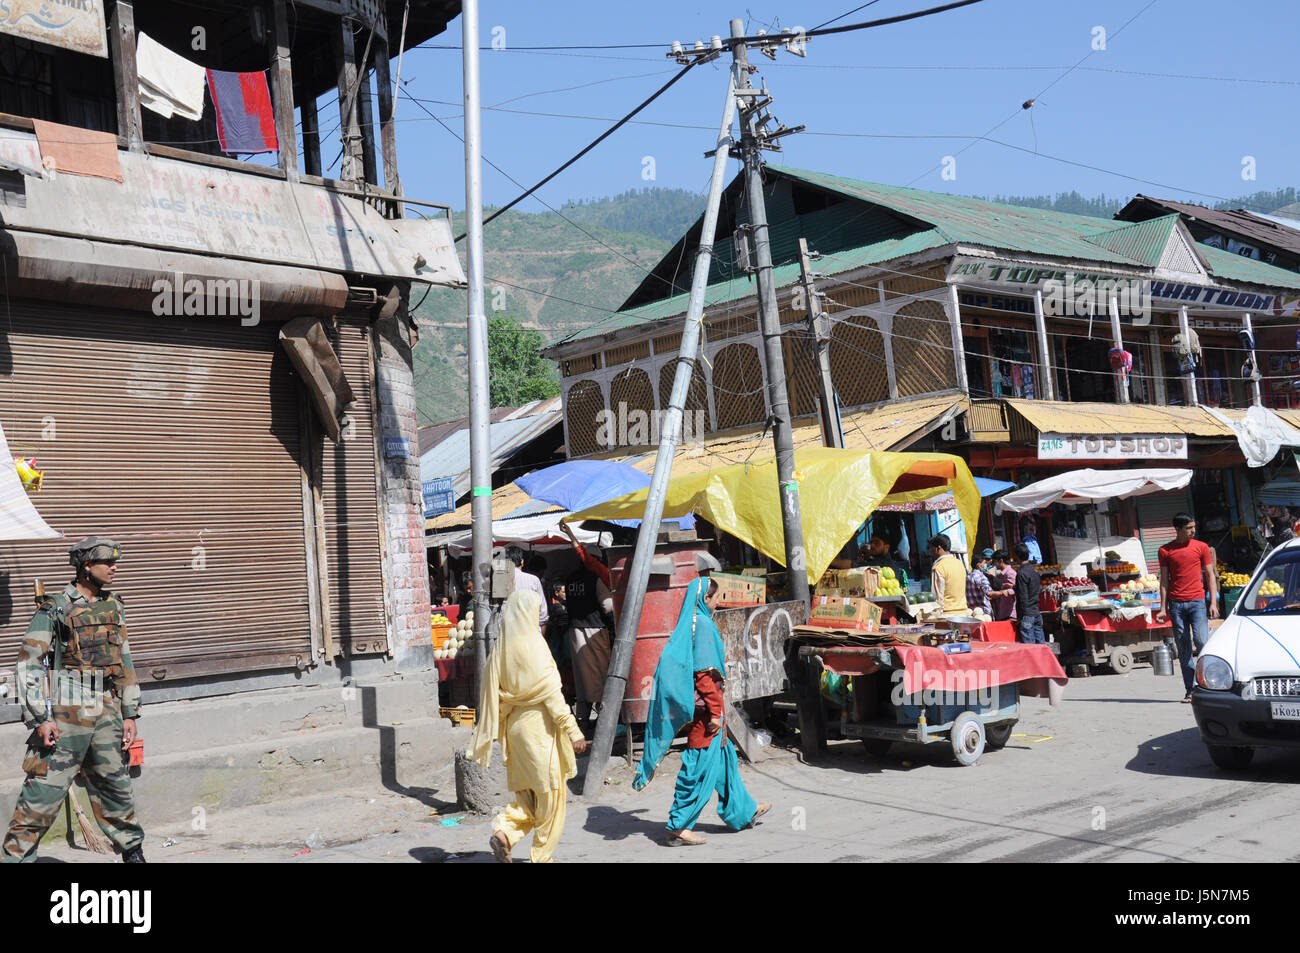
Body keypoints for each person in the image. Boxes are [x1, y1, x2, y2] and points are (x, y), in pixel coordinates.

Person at [3, 537, 146, 863]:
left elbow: (124, 660)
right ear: (86, 567)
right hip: (67, 708)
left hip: (106, 708)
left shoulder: (114, 606)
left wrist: (129, 712)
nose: (114, 567)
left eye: (115, 561)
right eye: (107, 562)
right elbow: (28, 662)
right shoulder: (54, 608)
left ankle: (133, 854)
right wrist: (41, 718)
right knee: (41, 796)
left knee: (116, 789)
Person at [633, 576, 770, 845]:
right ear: (705, 599)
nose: (718, 603)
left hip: (708, 709)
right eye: (715, 598)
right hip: (707, 713)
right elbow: (705, 676)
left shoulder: (690, 623)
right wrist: (717, 713)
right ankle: (679, 824)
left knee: (725, 761)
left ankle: (743, 811)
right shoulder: (703, 625)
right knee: (698, 766)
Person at [471, 589, 587, 864]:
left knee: (527, 796)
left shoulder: (501, 648)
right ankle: (542, 858)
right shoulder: (536, 647)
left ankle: (505, 832)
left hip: (515, 731)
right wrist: (574, 732)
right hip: (539, 732)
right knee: (551, 797)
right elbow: (553, 697)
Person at [1154, 513, 1218, 702]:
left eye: (1194, 527)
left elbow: (1210, 575)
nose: (1193, 531)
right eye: (1189, 528)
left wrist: (1213, 603)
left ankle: (1208, 684)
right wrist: (1163, 608)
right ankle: (1190, 690)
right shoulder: (1165, 551)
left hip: (1198, 602)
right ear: (1178, 529)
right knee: (1183, 649)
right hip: (1176, 605)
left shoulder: (1202, 547)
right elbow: (1164, 581)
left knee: (1201, 641)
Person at [560, 523, 614, 733]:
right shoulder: (596, 578)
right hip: (595, 630)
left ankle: (582, 717)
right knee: (599, 673)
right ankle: (604, 718)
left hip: (575, 630)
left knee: (581, 675)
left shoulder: (570, 579)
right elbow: (607, 606)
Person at [505, 546, 548, 631]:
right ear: (522, 562)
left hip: (507, 631)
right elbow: (543, 613)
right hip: (531, 630)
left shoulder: (498, 581)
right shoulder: (534, 580)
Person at [928, 534, 969, 616]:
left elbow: (937, 597)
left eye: (931, 548)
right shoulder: (959, 564)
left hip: (947, 615)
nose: (930, 551)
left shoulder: (938, 567)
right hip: (963, 613)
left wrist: (934, 616)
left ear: (938, 548)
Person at [1012, 542, 1044, 644]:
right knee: (1041, 646)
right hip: (1036, 612)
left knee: (1030, 647)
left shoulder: (1021, 573)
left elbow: (1023, 596)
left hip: (1027, 615)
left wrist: (1021, 616)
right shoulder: (1034, 571)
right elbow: (1032, 589)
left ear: (1016, 556)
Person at [989, 550, 1018, 622]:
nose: (994, 564)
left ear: (1001, 561)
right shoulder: (1004, 574)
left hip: (1010, 614)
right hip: (1005, 613)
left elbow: (1016, 590)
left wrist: (1000, 593)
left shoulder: (1010, 573)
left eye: (995, 562)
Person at [966, 551, 994, 617]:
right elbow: (989, 592)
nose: (985, 565)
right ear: (979, 565)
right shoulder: (981, 576)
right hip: (984, 613)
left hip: (972, 613)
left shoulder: (968, 576)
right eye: (984, 563)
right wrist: (1003, 592)